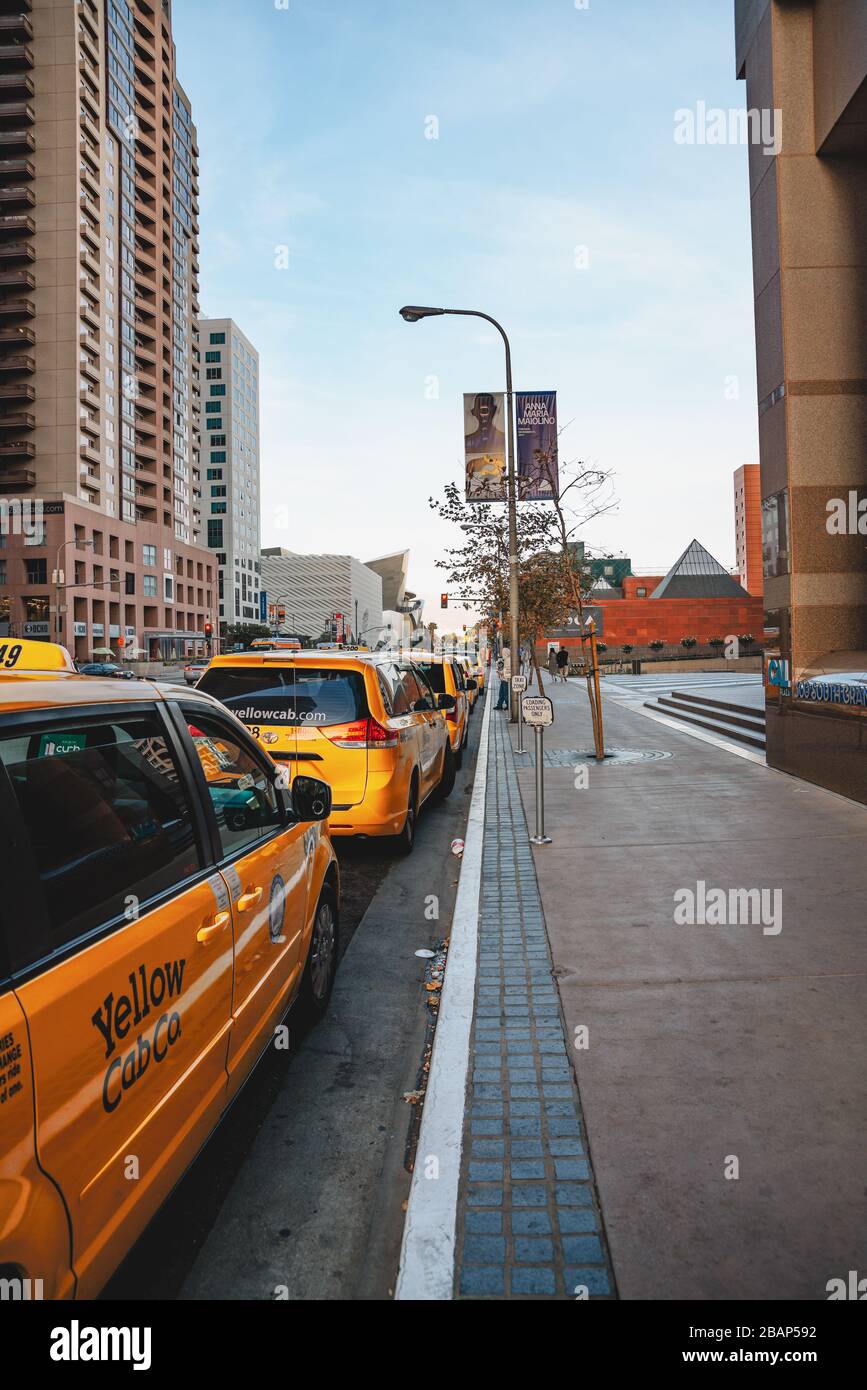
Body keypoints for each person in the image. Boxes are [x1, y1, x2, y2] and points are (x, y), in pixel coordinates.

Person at [495, 643, 511, 709]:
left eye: (503, 653)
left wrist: (500, 672)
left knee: (505, 694)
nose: (502, 654)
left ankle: (508, 706)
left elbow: (507, 670)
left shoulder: (508, 660)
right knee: (501, 693)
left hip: (506, 679)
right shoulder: (506, 660)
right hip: (503, 679)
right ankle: (499, 705)